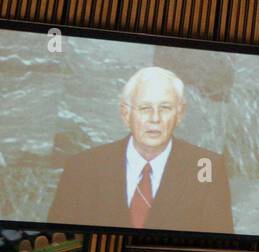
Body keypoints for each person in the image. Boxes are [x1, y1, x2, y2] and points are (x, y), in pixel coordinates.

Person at [47, 66, 234, 233]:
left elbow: (219, 246)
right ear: (125, 114)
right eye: (145, 108)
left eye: (165, 108)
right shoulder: (81, 167)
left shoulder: (207, 166)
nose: (155, 118)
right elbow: (59, 238)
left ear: (180, 113)